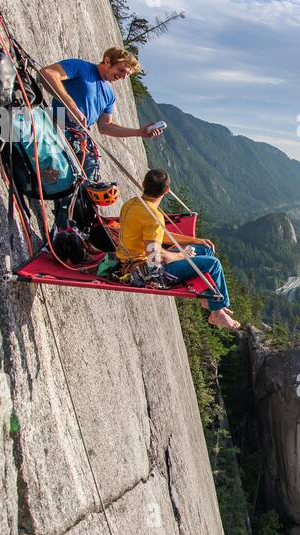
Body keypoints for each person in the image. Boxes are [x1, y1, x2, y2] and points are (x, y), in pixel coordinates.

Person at [118, 168, 242, 331]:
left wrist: (195, 241)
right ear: (167, 191)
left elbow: (159, 236)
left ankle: (213, 302)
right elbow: (154, 257)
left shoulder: (132, 204)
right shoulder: (153, 216)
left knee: (205, 250)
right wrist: (181, 255)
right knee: (214, 264)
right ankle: (216, 313)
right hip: (147, 273)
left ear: (143, 185)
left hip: (133, 260)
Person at [39, 47, 163, 181]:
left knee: (86, 188)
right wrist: (71, 106)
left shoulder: (109, 95)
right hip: (59, 122)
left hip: (80, 137)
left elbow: (105, 126)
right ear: (107, 61)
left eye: (127, 74)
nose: (123, 77)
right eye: (121, 70)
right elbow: (47, 73)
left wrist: (139, 132)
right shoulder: (81, 67)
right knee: (62, 181)